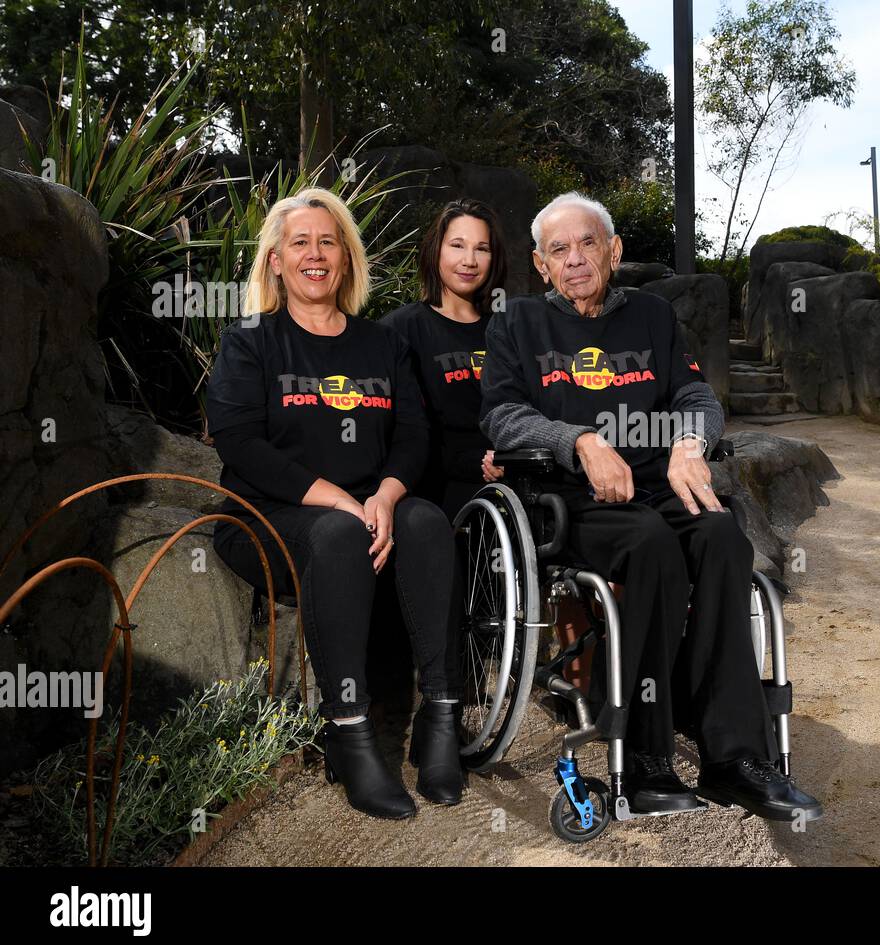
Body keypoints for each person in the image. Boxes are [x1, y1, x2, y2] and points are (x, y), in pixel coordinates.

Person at [478, 191, 822, 822]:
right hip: (574, 499)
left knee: (724, 537)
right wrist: (579, 441)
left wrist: (690, 443)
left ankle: (734, 757)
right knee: (652, 547)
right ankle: (644, 758)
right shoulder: (517, 324)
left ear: (614, 250)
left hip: (660, 487)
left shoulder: (652, 317)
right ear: (541, 264)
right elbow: (502, 415)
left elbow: (695, 392)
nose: (575, 259)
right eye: (559, 250)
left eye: (588, 244)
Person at [207, 187, 463, 819]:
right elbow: (239, 441)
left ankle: (440, 716)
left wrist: (387, 493)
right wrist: (341, 503)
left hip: (368, 504)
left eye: (328, 242)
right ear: (275, 260)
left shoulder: (382, 344)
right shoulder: (251, 342)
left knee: (428, 523)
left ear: (346, 259)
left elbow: (414, 434)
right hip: (271, 517)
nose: (315, 254)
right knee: (339, 534)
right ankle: (349, 731)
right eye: (300, 243)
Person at [378, 199, 508, 519]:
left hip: (512, 475)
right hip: (437, 488)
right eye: (457, 245)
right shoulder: (400, 329)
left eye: (482, 249)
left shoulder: (505, 327)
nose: (469, 260)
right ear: (436, 250)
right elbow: (397, 431)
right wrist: (474, 462)